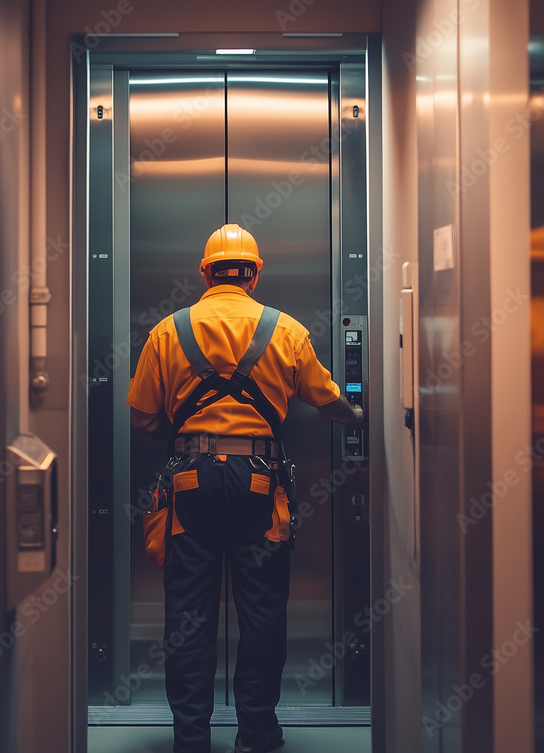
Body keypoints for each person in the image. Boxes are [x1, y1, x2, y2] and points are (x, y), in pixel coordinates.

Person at [127, 224, 363, 753]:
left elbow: (142, 419)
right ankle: (256, 732)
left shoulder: (169, 330)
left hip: (190, 482)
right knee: (262, 609)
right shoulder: (287, 331)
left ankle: (190, 738)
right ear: (255, 274)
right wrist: (364, 417)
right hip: (261, 482)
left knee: (188, 613)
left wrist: (190, 428)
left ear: (206, 273)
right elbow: (329, 402)